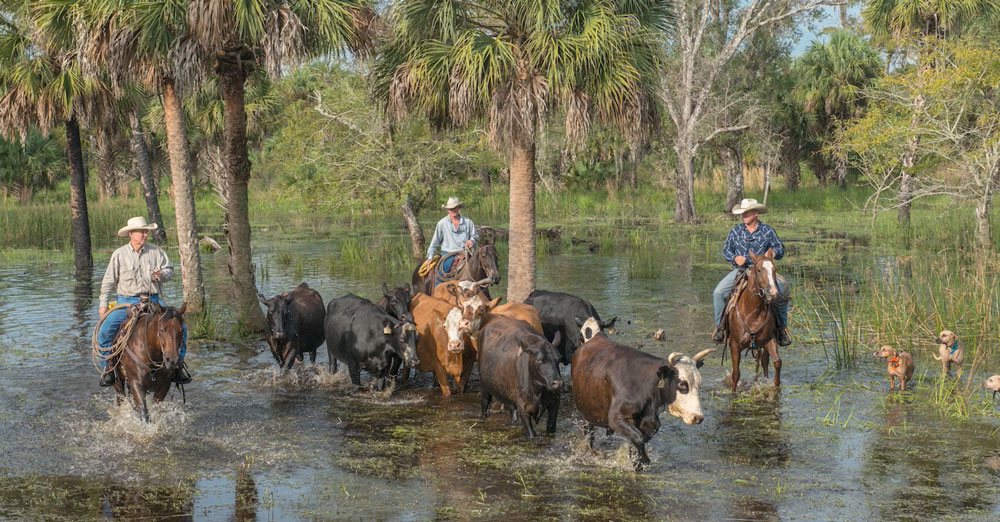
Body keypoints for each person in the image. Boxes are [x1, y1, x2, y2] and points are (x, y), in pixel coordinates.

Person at [96, 216, 190, 386]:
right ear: (131, 234)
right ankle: (108, 369)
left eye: (146, 232)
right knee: (104, 331)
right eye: (142, 232)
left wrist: (161, 275)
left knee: (180, 327)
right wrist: (103, 304)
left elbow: (169, 271)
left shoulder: (157, 252)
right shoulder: (119, 255)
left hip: (153, 300)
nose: (145, 235)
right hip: (126, 301)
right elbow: (108, 281)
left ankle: (178, 366)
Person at [711, 199, 791, 346]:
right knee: (718, 293)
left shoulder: (768, 230)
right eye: (742, 213)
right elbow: (726, 250)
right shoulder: (735, 231)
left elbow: (780, 248)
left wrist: (773, 253)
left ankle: (781, 330)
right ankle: (720, 328)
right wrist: (735, 257)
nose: (743, 216)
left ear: (755, 213)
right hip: (741, 271)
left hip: (763, 272)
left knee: (781, 293)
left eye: (747, 213)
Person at [425, 196, 478, 276]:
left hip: (465, 253)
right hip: (448, 254)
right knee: (442, 272)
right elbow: (435, 241)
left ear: (458, 208)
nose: (453, 210)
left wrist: (472, 242)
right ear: (447, 210)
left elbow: (474, 237)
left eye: (455, 208)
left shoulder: (468, 222)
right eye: (450, 209)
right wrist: (430, 257)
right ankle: (437, 284)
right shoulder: (442, 223)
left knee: (478, 269)